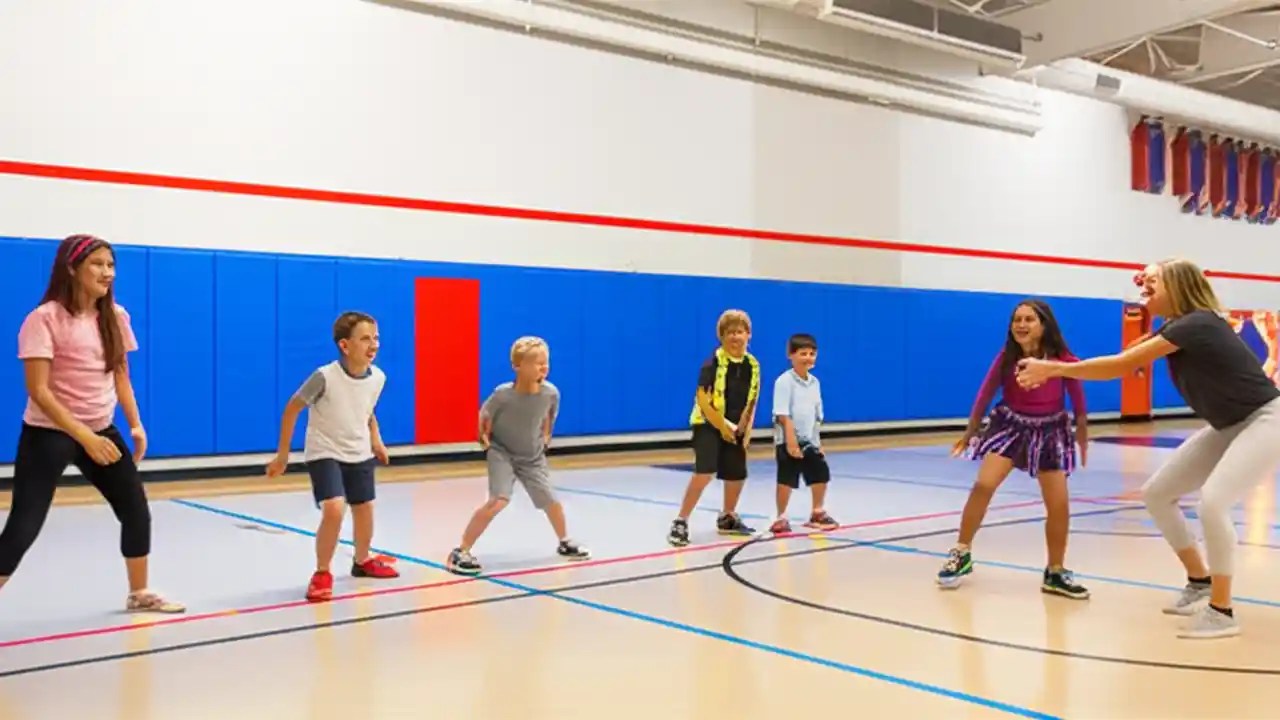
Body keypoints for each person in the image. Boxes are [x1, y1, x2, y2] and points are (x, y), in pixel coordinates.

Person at [1017, 258, 1280, 639]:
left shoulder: (1198, 322)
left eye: (1153, 280)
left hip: (1266, 419)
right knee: (1157, 493)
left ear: (1177, 285)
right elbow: (1120, 360)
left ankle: (1222, 610)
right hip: (1228, 423)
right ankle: (1199, 581)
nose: (1144, 286)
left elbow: (1121, 364)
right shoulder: (1179, 327)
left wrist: (1052, 369)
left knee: (1214, 502)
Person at [0, 234, 183, 613]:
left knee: (135, 508)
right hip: (49, 434)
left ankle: (139, 592)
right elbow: (38, 390)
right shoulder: (43, 319)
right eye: (97, 264)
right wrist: (83, 436)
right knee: (24, 524)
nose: (107, 272)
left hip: (102, 428)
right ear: (72, 268)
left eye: (111, 265)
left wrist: (135, 425)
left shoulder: (115, 317)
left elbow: (120, 377)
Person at [936, 299, 1090, 600]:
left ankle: (1055, 571)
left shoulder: (1061, 358)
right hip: (1011, 427)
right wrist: (970, 432)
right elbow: (985, 393)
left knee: (1058, 504)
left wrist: (1082, 431)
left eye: (1029, 319)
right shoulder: (1006, 357)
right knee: (983, 484)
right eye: (1016, 319)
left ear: (1044, 325)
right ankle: (961, 551)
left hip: (1049, 431)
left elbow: (1077, 394)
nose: (1021, 324)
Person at [267, 311, 399, 603]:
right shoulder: (324, 377)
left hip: (359, 450)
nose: (373, 344)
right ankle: (322, 572)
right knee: (335, 509)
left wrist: (376, 440)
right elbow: (292, 409)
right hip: (324, 451)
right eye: (365, 338)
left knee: (364, 508)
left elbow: (366, 410)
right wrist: (282, 455)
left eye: (376, 338)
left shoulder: (378, 377)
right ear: (344, 345)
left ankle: (362, 561)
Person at [446, 336, 589, 576]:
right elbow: (485, 414)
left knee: (551, 501)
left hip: (532, 456)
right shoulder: (503, 394)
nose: (543, 367)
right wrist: (483, 437)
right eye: (537, 363)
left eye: (546, 362)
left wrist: (546, 437)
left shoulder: (550, 393)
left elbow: (549, 416)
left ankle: (565, 541)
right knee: (498, 500)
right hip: (502, 452)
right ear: (518, 366)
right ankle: (461, 550)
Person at [667, 309, 761, 547]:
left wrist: (745, 429)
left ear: (748, 335)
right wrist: (723, 425)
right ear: (721, 337)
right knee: (705, 471)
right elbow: (703, 398)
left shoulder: (753, 364)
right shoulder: (713, 362)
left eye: (739, 332)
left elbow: (752, 399)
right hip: (708, 423)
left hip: (734, 427)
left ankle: (728, 516)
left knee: (736, 473)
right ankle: (681, 520)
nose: (735, 337)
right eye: (729, 333)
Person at [768, 333, 837, 535]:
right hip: (788, 439)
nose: (808, 357)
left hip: (809, 440)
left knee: (820, 473)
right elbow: (782, 415)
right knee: (787, 478)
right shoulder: (784, 381)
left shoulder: (815, 383)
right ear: (791, 355)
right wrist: (791, 442)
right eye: (803, 353)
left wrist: (817, 442)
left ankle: (817, 512)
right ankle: (780, 517)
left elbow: (817, 416)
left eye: (812, 354)